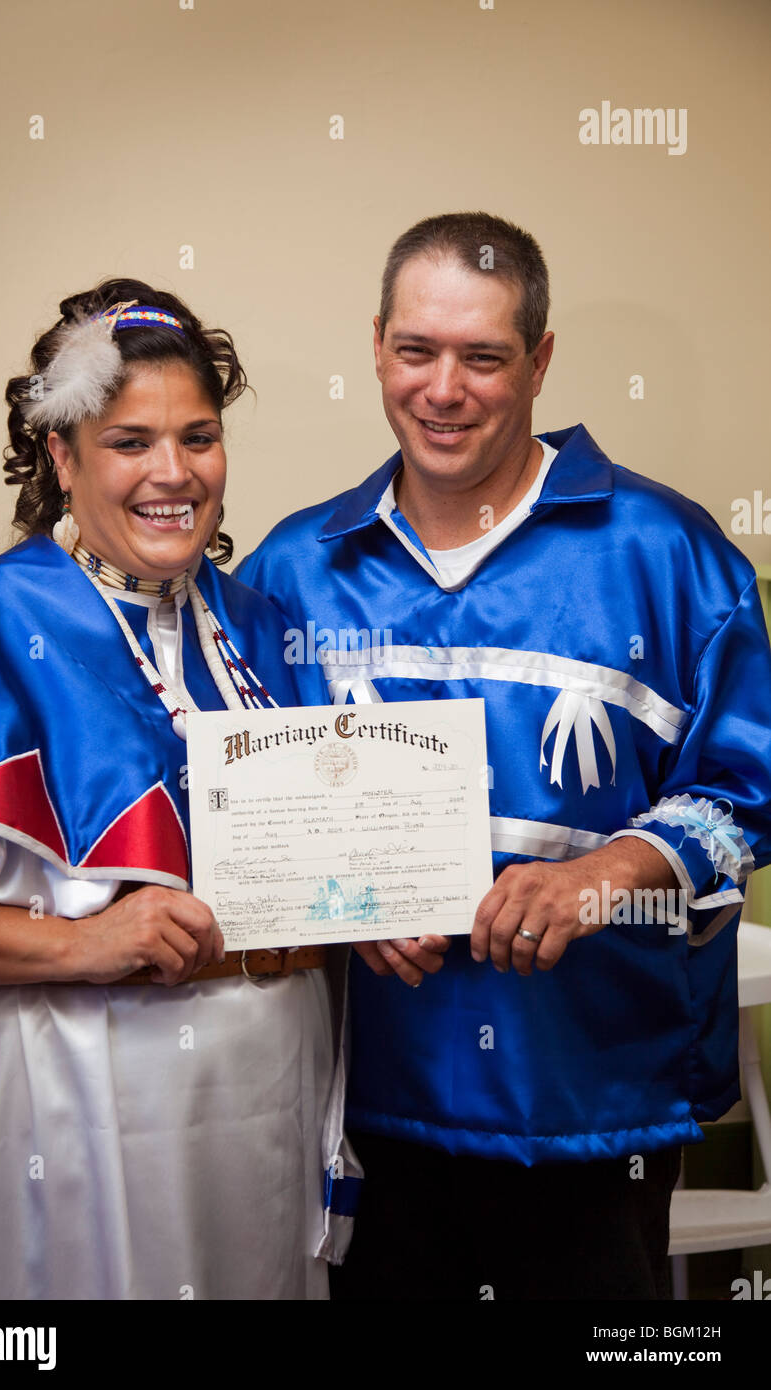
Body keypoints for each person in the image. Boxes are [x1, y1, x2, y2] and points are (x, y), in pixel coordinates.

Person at [237, 213, 771, 1300]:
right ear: (375, 344)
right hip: (363, 1109)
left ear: (537, 360)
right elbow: (247, 814)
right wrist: (340, 899)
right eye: (415, 351)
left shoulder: (665, 552)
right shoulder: (293, 568)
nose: (443, 389)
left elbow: (745, 795)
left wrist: (605, 875)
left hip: (594, 1110)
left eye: (481, 357)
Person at [0, 279, 356, 1300]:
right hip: (71, 1116)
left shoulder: (267, 635)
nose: (172, 473)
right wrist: (84, 942)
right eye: (129, 442)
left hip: (261, 1112)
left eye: (198, 437)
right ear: (60, 456)